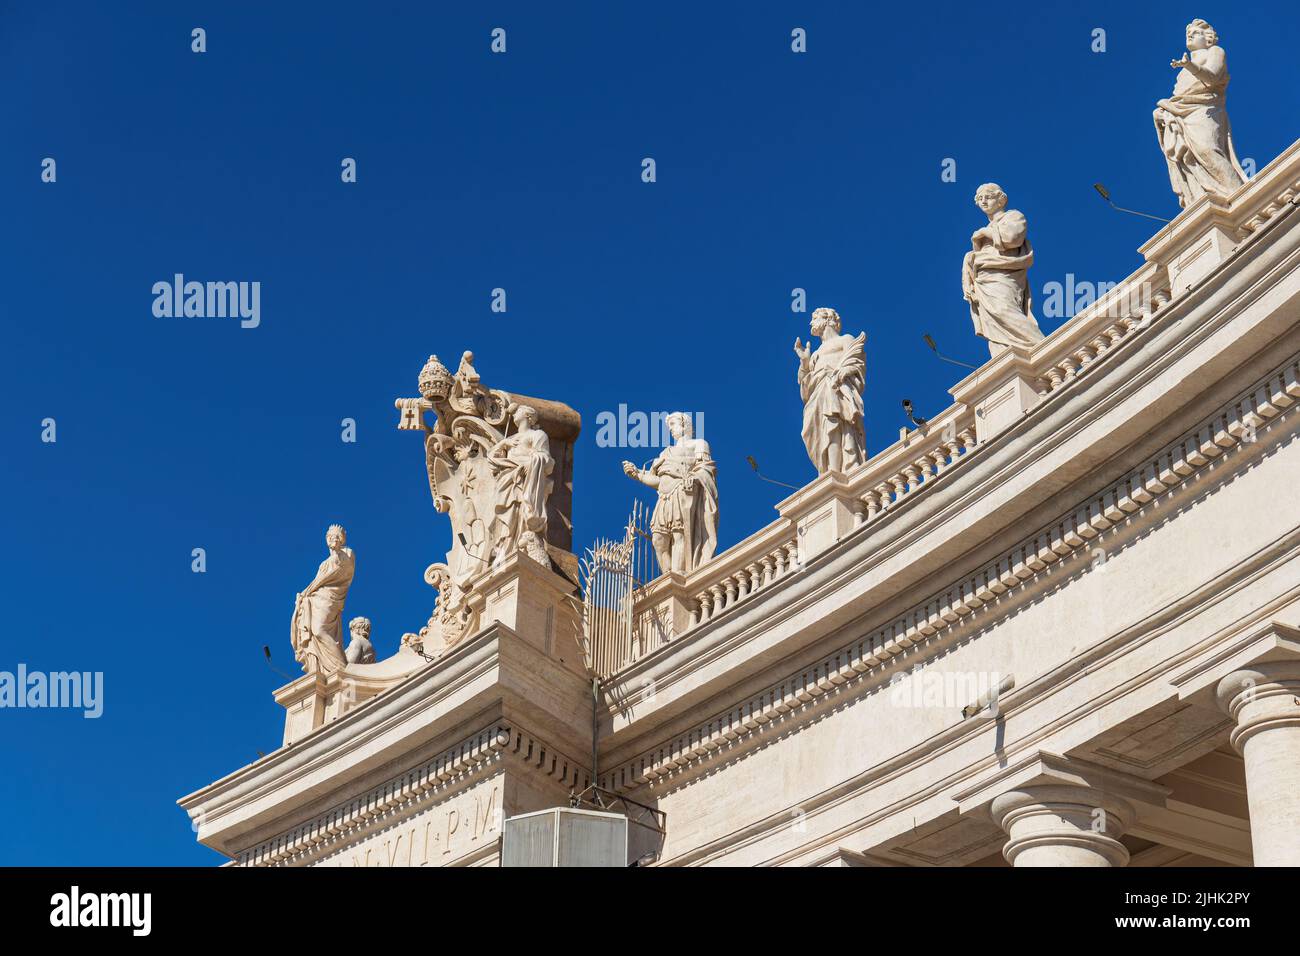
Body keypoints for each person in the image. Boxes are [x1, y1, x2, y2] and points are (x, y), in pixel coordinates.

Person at [1153, 19, 1247, 209]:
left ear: (1209, 38)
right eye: (1188, 33)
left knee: (1207, 149)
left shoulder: (1215, 52)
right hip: (1182, 114)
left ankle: (1240, 198)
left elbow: (1212, 77)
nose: (1190, 35)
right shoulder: (1182, 72)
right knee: (1188, 157)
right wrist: (1163, 113)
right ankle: (1204, 200)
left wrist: (1190, 66)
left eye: (1195, 33)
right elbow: (1178, 98)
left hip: (1205, 109)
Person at [623, 412, 718, 575]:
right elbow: (659, 482)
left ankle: (678, 574)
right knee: (658, 539)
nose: (671, 430)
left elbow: (706, 471)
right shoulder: (665, 453)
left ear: (684, 424)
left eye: (673, 424)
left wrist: (694, 478)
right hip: (664, 497)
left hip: (681, 493)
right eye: (670, 426)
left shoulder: (699, 444)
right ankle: (668, 577)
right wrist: (637, 474)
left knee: (679, 536)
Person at [962, 183, 1044, 357]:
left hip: (1004, 274)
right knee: (993, 323)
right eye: (979, 198)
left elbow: (1013, 238)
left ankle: (1042, 348)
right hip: (984, 279)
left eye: (988, 197)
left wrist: (986, 233)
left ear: (1001, 200)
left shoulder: (1013, 216)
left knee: (1004, 310)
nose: (983, 201)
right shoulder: (989, 227)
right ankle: (1008, 360)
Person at [794, 307, 866, 474]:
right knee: (822, 429)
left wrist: (838, 374)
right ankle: (828, 470)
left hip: (835, 389)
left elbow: (856, 363)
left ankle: (835, 470)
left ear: (827, 319)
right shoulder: (814, 355)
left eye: (815, 318)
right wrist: (804, 363)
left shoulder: (845, 340)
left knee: (833, 423)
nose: (811, 322)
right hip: (818, 396)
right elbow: (805, 390)